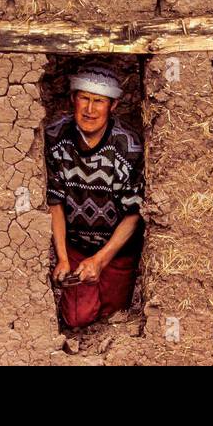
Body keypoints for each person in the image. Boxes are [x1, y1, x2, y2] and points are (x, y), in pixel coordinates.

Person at [45, 66, 145, 330]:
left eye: (98, 101)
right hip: (76, 246)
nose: (90, 109)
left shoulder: (128, 146)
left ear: (113, 105)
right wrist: (63, 258)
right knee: (78, 318)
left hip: (117, 249)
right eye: (84, 98)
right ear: (72, 100)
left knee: (115, 317)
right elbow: (54, 202)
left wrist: (101, 260)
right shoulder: (55, 138)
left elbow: (134, 213)